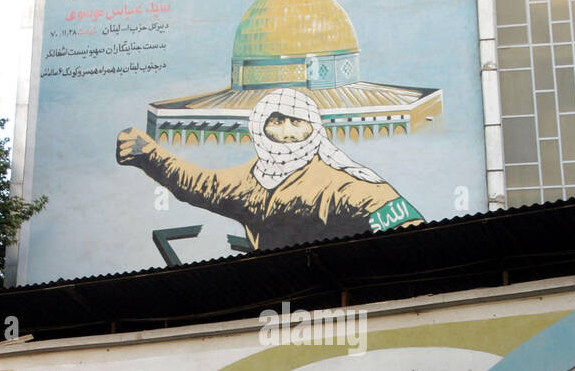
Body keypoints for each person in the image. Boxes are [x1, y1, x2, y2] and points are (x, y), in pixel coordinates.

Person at [117, 87, 422, 249]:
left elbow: (399, 220)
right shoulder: (247, 181)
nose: (286, 132)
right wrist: (148, 154)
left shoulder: (337, 185)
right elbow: (198, 184)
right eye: (276, 121)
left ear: (313, 129)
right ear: (260, 127)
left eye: (296, 122)